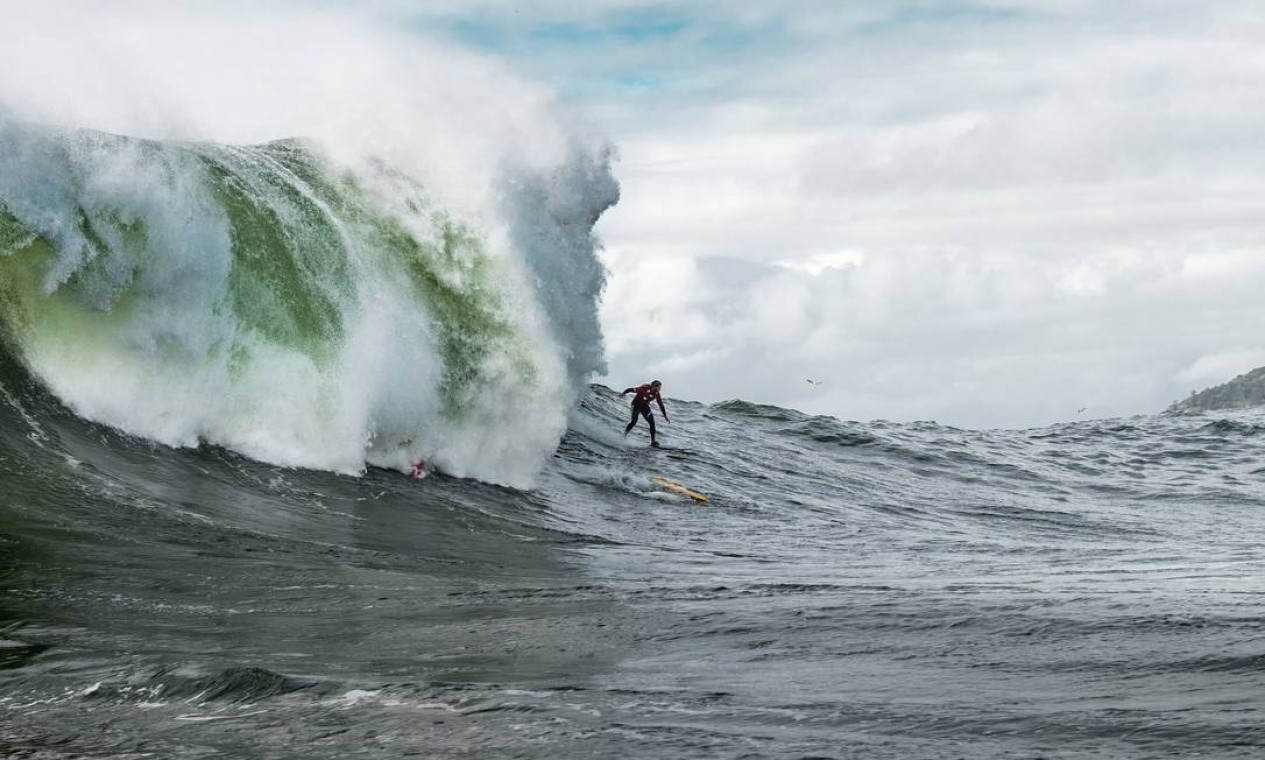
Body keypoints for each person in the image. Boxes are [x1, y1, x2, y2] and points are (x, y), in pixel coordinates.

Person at [621, 379, 669, 446]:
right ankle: (624, 436)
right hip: (636, 406)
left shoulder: (657, 394)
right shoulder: (643, 389)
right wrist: (623, 394)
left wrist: (665, 416)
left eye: (660, 388)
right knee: (634, 421)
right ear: (654, 386)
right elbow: (629, 389)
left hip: (644, 407)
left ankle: (653, 441)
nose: (660, 389)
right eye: (659, 387)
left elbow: (660, 404)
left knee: (652, 422)